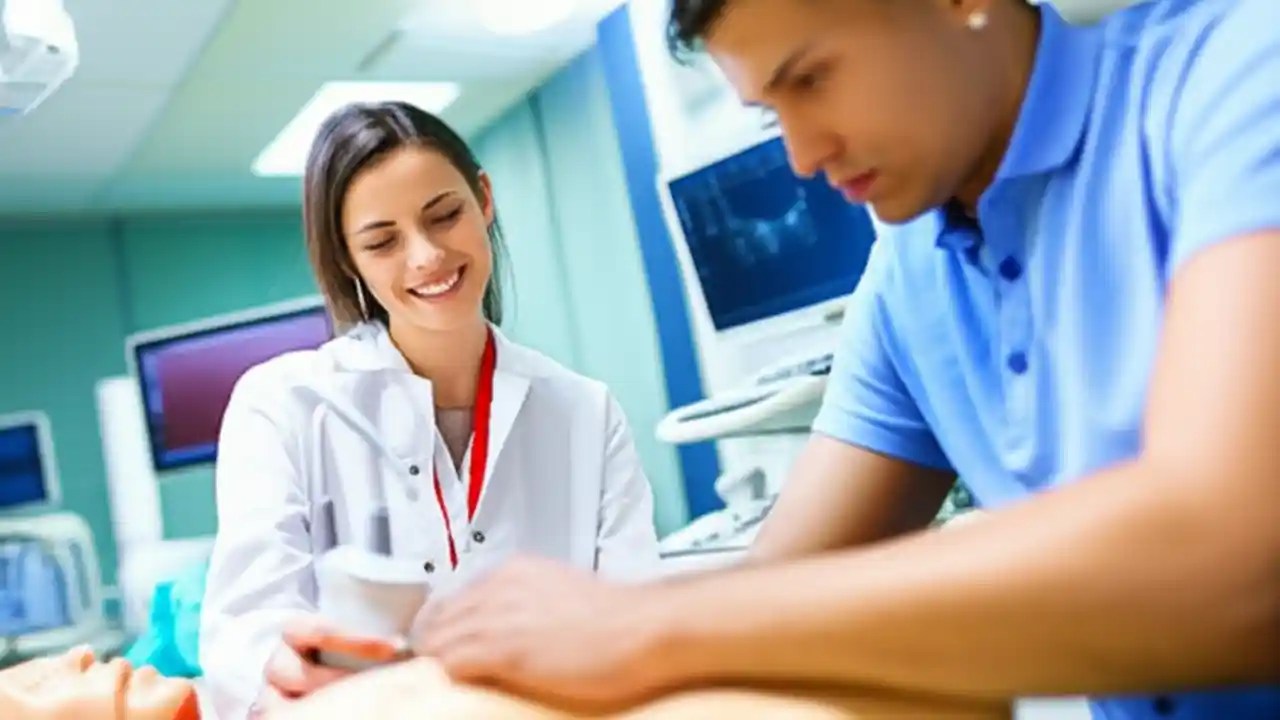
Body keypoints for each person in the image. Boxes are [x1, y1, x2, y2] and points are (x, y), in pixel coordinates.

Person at [408, 1, 1280, 718]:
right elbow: (788, 581)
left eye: (813, 79)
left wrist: (644, 627)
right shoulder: (909, 274)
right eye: (770, 112)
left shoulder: (1235, 76)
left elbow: (1236, 568)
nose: (801, 155)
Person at [199, 101, 662, 720]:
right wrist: (282, 670)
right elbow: (245, 636)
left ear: (484, 199)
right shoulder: (282, 405)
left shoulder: (585, 412)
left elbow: (636, 615)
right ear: (348, 258)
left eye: (444, 216)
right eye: (382, 241)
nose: (425, 257)